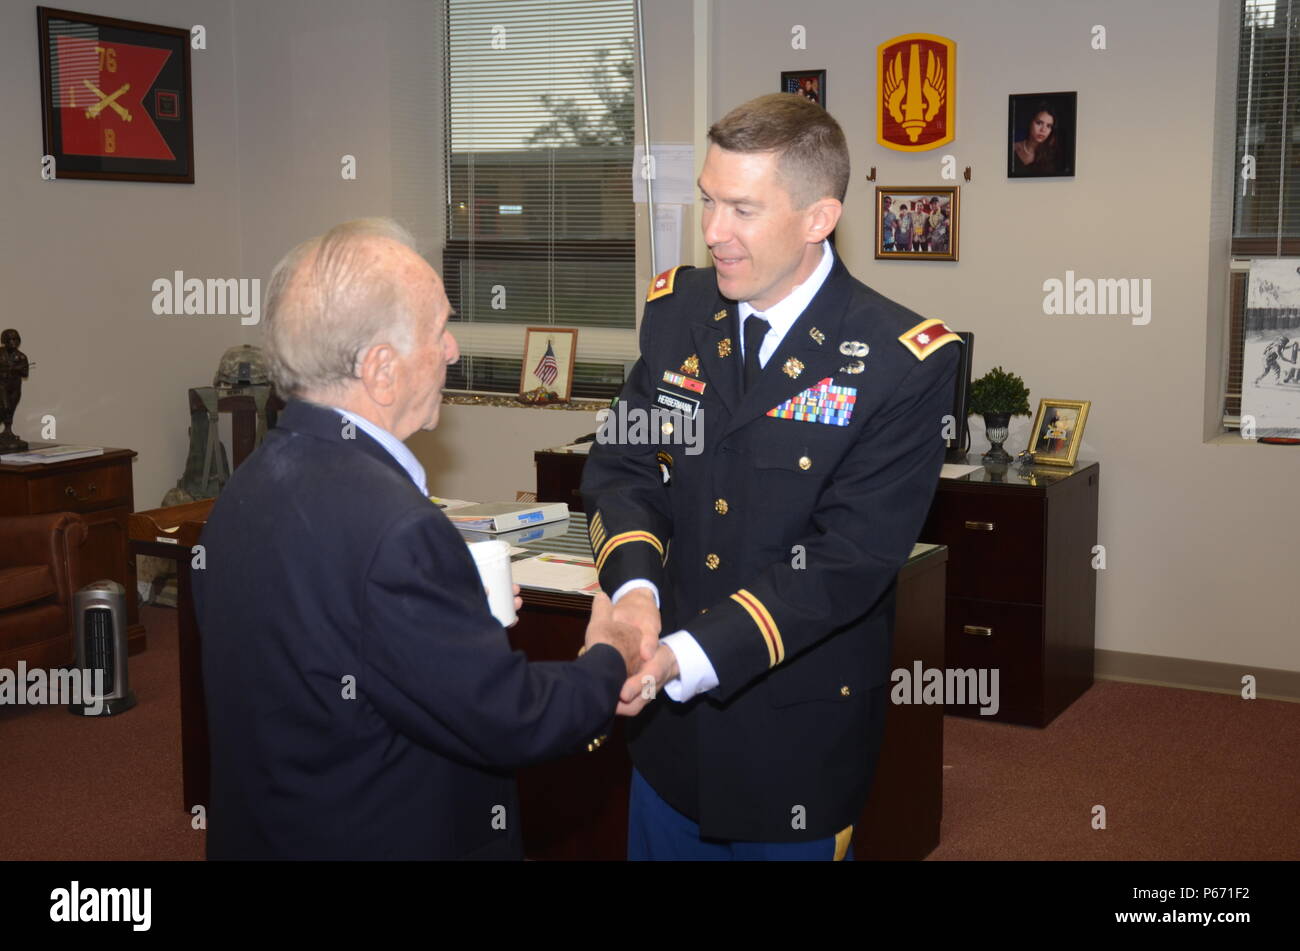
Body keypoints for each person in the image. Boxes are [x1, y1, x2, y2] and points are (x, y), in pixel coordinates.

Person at [581, 93, 960, 861]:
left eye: (743, 209)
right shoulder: (678, 312)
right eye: (709, 202)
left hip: (792, 748)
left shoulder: (900, 359)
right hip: (667, 744)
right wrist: (633, 594)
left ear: (818, 217)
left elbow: (846, 562)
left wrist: (683, 655)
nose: (714, 232)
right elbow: (625, 462)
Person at [192, 218, 641, 860]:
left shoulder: (246, 487)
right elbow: (512, 721)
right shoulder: (397, 529)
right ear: (380, 370)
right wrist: (612, 652)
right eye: (439, 330)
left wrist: (448, 620)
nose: (454, 349)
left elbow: (328, 652)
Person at [1012, 102, 1061, 176]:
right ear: (1030, 122)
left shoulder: (1052, 157)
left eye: (1048, 126)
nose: (1043, 130)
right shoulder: (1012, 148)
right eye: (1039, 123)